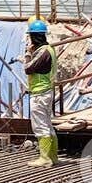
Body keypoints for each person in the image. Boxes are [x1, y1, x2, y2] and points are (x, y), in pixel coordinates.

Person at [21, 18, 58, 167]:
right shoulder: (50, 50)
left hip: (40, 94)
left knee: (40, 126)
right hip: (46, 91)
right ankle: (53, 156)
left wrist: (28, 55)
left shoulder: (43, 52)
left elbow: (28, 68)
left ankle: (45, 158)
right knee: (48, 125)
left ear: (34, 36)